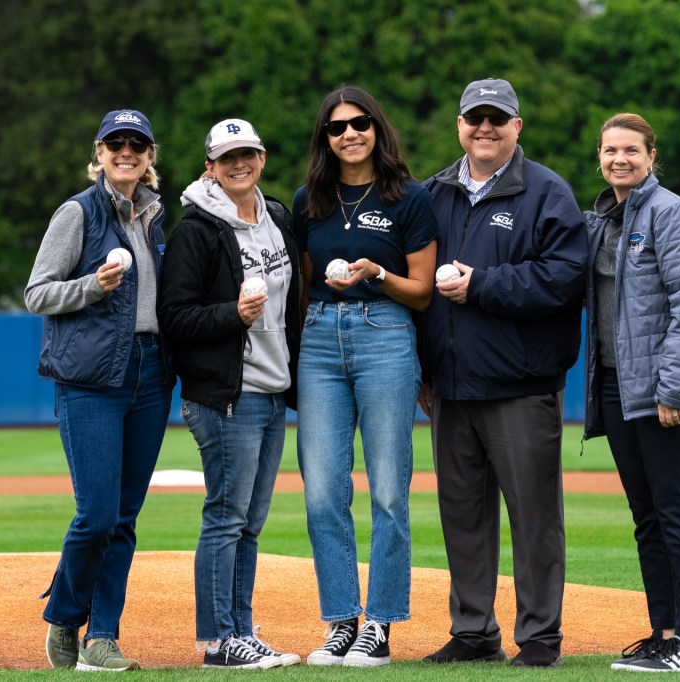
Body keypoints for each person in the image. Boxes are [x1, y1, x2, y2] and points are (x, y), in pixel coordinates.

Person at [416, 78, 588, 668]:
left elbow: (567, 277)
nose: (484, 128)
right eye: (474, 118)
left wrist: (482, 285)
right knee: (462, 516)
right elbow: (415, 287)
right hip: (451, 385)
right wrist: (422, 369)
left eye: (497, 118)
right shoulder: (432, 192)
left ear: (517, 126)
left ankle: (539, 637)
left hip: (521, 384)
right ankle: (473, 630)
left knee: (534, 517)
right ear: (459, 125)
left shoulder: (546, 191)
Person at [292, 85, 437, 667]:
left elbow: (424, 293)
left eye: (359, 123)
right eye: (336, 127)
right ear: (324, 139)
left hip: (386, 333)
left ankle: (378, 624)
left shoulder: (409, 197)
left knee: (386, 490)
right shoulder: (309, 201)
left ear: (377, 127)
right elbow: (304, 285)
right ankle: (342, 621)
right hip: (322, 337)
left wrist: (377, 272)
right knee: (323, 491)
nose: (349, 134)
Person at [25, 109, 173, 672]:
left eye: (137, 143)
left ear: (150, 156)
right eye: (117, 143)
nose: (127, 151)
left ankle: (102, 637)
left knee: (126, 516)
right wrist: (92, 285)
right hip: (91, 378)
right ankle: (65, 617)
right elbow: (37, 293)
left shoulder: (154, 216)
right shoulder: (77, 212)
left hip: (149, 371)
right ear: (100, 151)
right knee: (96, 514)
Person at [157, 118, 302, 670]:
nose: (239, 164)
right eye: (227, 157)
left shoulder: (277, 219)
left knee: (250, 521)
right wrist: (231, 315)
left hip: (270, 392)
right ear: (210, 167)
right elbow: (174, 315)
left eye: (248, 153)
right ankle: (219, 641)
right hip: (225, 396)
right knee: (226, 515)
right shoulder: (196, 229)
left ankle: (241, 627)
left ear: (261, 158)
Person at [583, 112, 680, 673]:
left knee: (676, 511)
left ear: (651, 156)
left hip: (665, 393)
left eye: (631, 151)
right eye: (611, 150)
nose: (620, 159)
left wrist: (674, 388)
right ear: (600, 157)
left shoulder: (674, 214)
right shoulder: (601, 220)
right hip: (616, 387)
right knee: (647, 515)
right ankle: (665, 634)